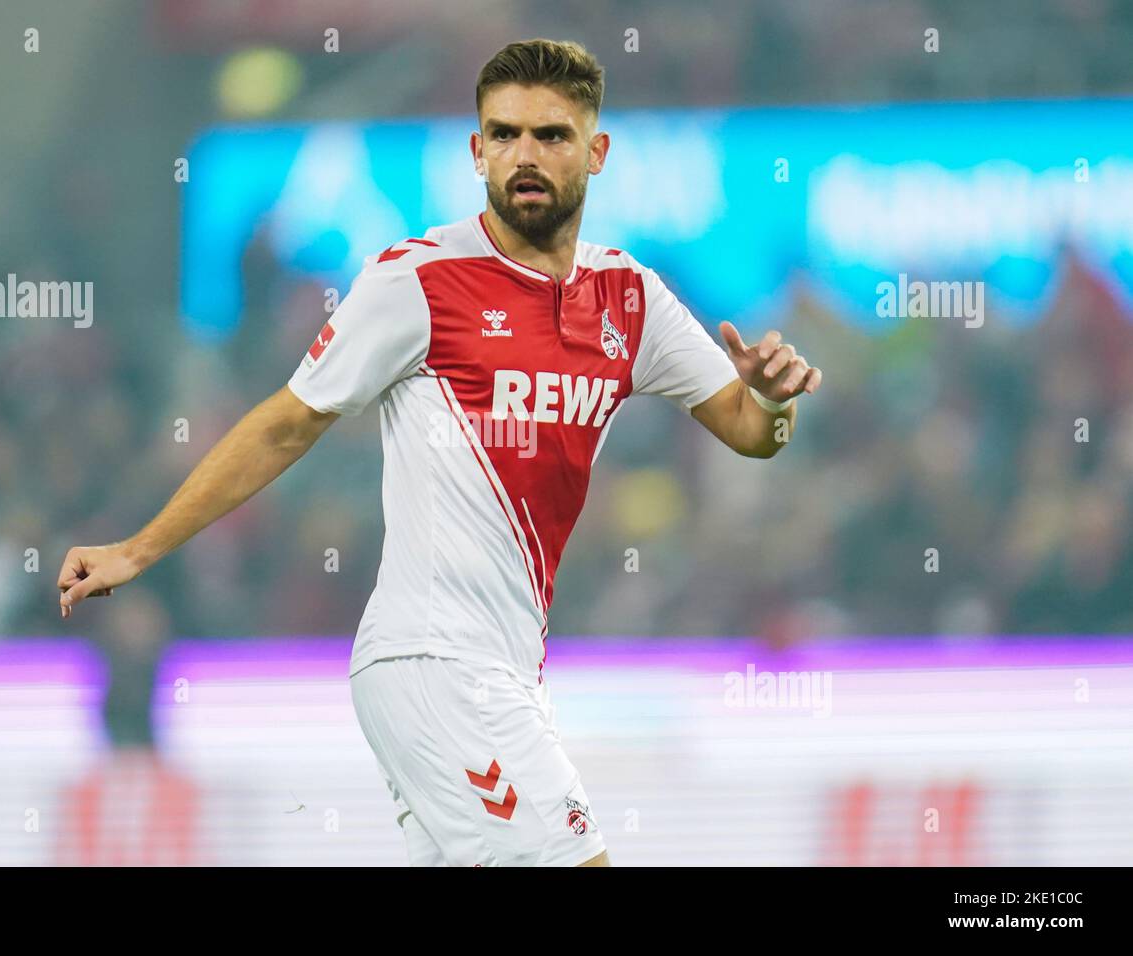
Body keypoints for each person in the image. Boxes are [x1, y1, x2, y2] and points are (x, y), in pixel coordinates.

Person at [57, 38, 822, 867]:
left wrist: (776, 400)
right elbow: (287, 422)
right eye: (504, 134)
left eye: (552, 136)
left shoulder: (629, 300)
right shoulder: (417, 281)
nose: (524, 155)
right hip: (432, 660)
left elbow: (752, 434)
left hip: (506, 671)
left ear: (596, 153)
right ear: (477, 150)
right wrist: (139, 548)